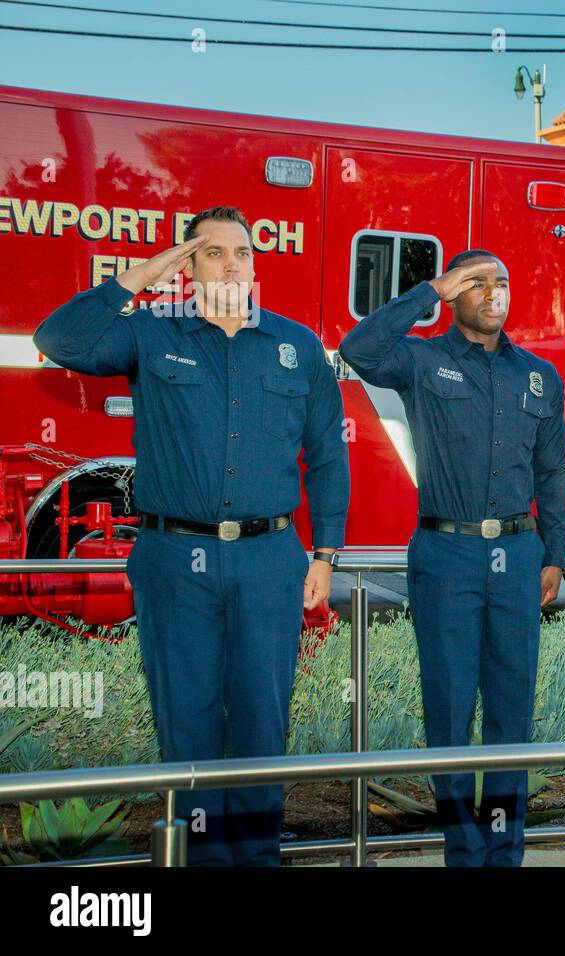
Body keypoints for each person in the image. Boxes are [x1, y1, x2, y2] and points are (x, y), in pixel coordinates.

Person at [33, 205, 349, 866]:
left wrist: (325, 554)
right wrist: (142, 276)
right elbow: (60, 339)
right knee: (189, 719)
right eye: (212, 253)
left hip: (270, 560)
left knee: (263, 721)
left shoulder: (296, 348)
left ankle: (256, 857)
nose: (231, 264)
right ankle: (198, 858)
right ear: (189, 266)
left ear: (255, 265)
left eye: (241, 252)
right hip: (175, 558)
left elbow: (325, 458)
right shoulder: (150, 333)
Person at [339, 250, 565, 867]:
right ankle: (463, 848)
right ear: (455, 294)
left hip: (520, 555)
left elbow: (554, 470)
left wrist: (555, 555)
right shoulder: (421, 360)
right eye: (477, 282)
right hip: (446, 553)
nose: (493, 292)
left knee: (510, 709)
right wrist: (429, 291)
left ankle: (503, 847)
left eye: (502, 281)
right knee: (447, 704)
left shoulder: (538, 375)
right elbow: (358, 348)